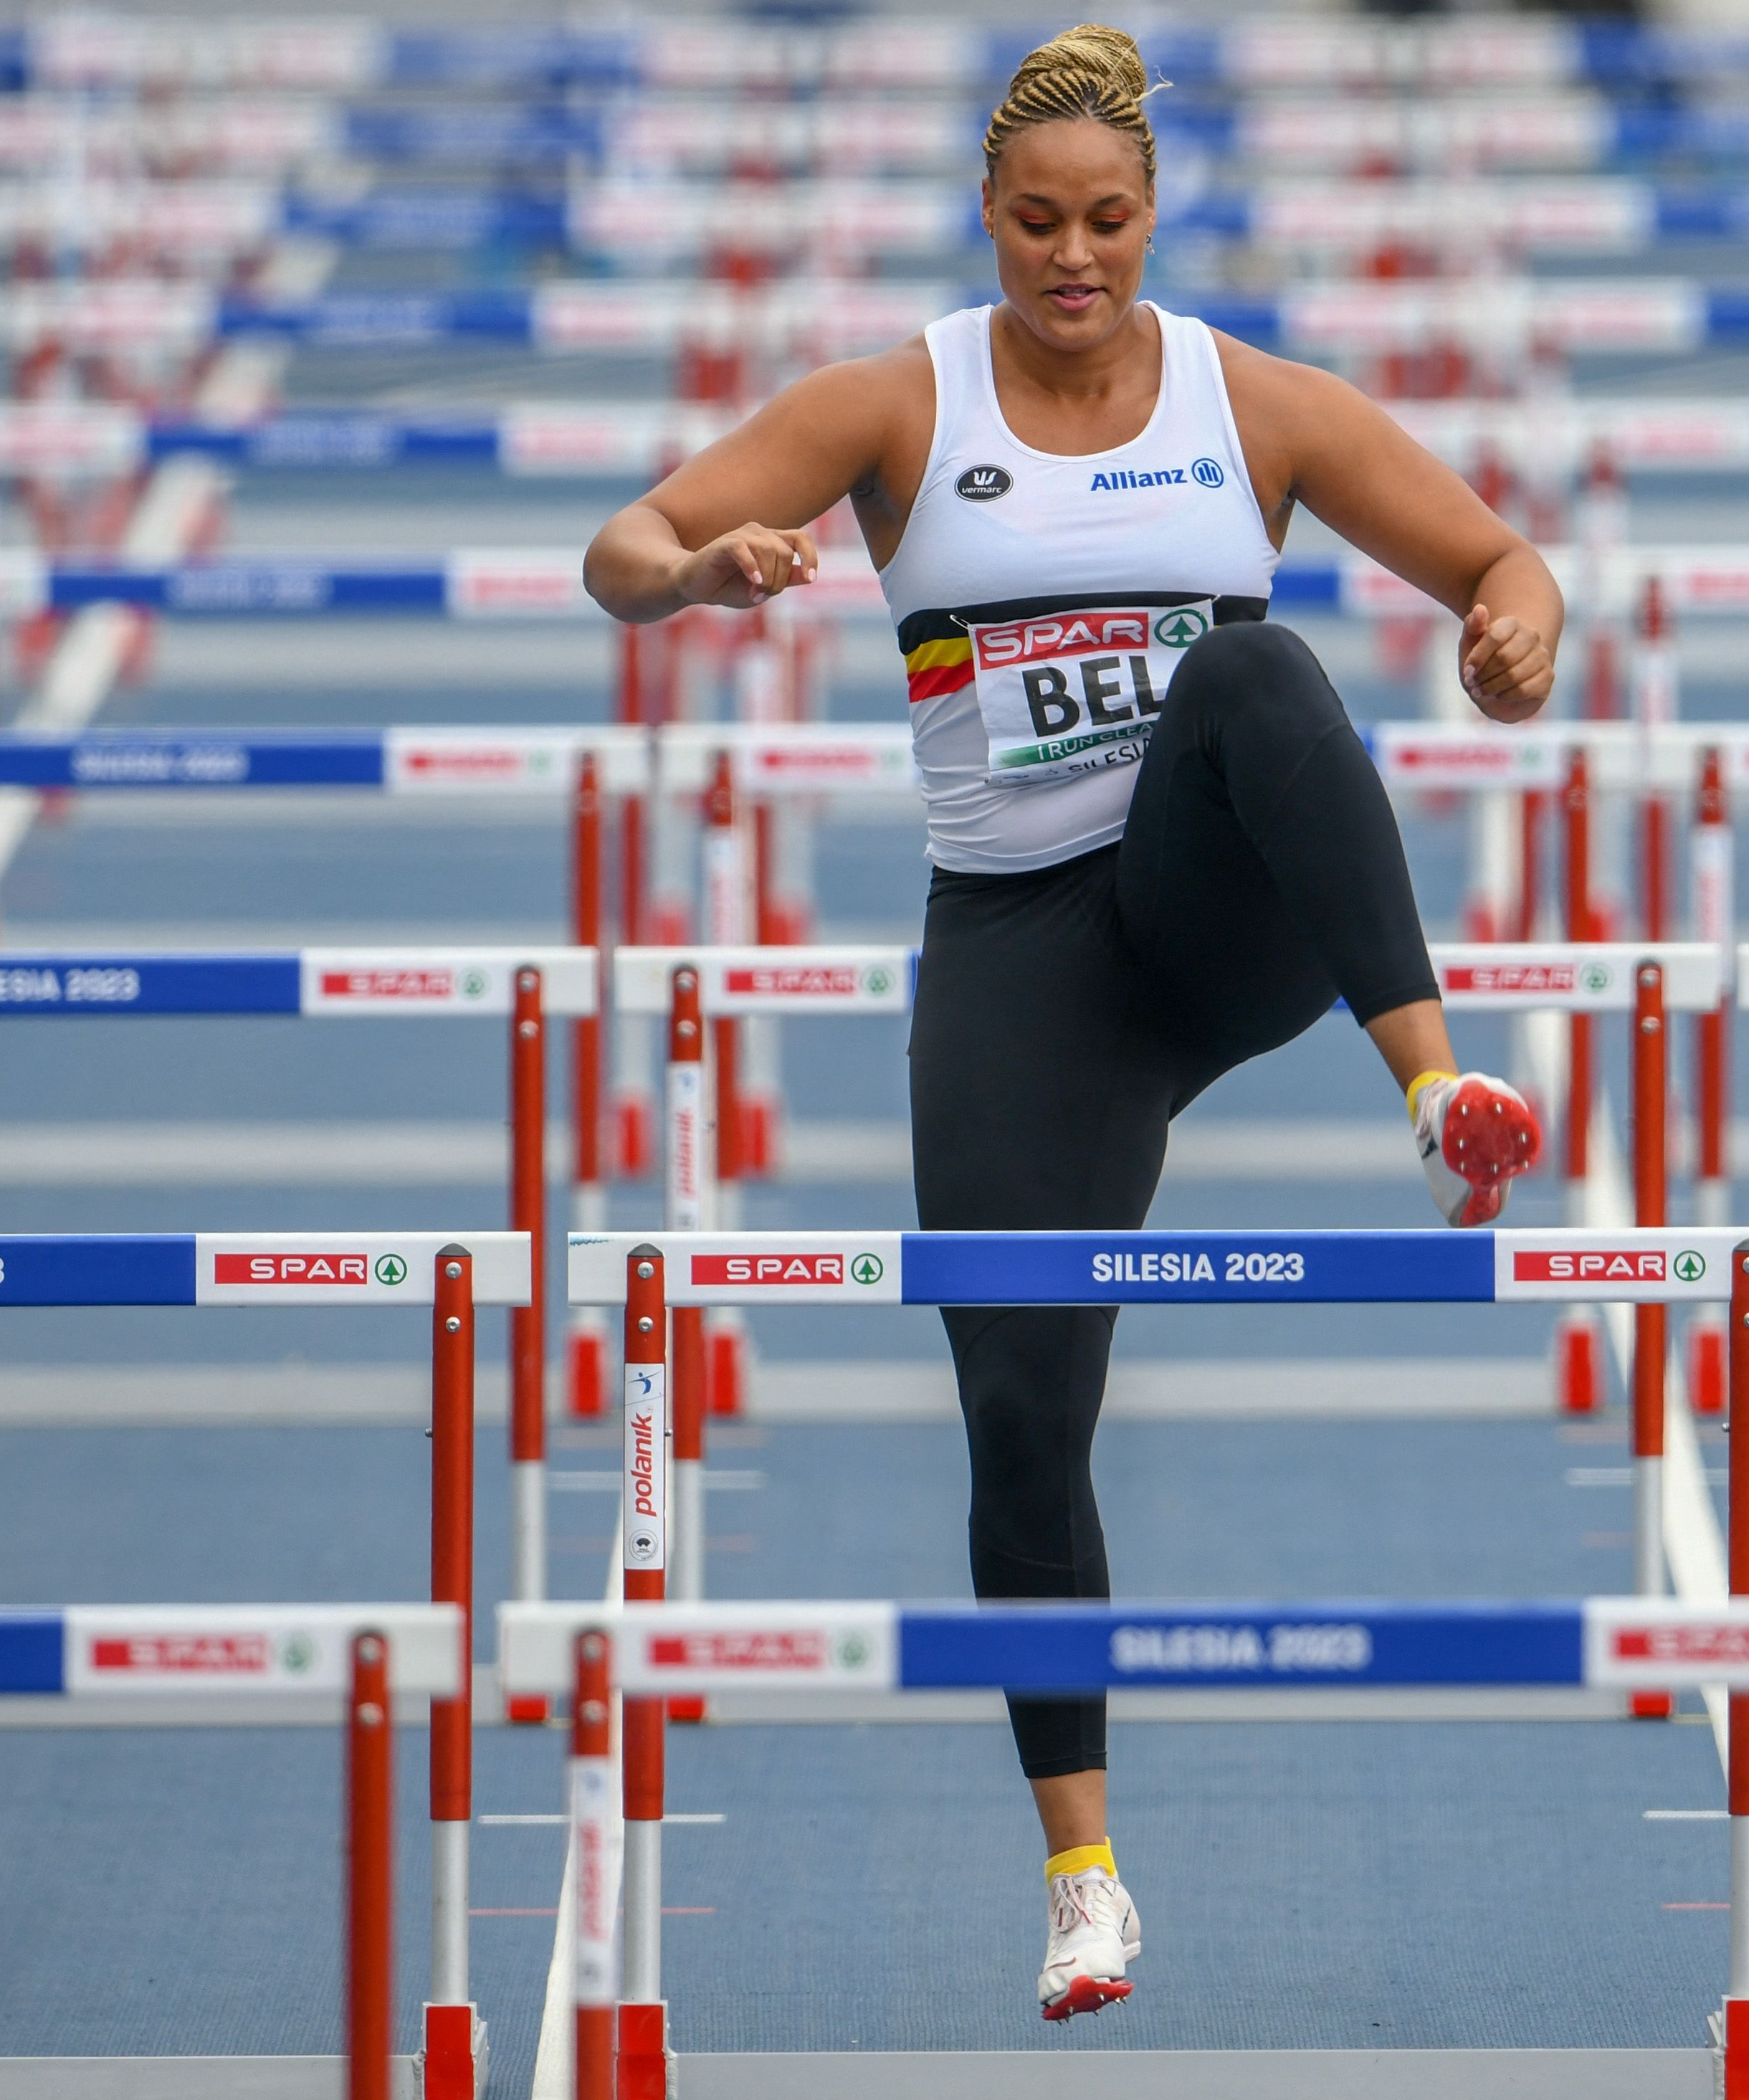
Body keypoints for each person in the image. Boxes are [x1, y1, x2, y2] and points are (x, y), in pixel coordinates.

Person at [583, 22, 1559, 2025]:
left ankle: (1437, 1080)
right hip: (1025, 958)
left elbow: (1494, 550)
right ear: (984, 219)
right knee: (1020, 1415)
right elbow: (618, 548)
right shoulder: (895, 403)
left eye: (1106, 222)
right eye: (1035, 224)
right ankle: (1086, 1874)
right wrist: (703, 570)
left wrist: (1515, 620)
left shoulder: (1252, 403)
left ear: (1150, 213)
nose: (1072, 259)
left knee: (1259, 680)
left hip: (1212, 918)